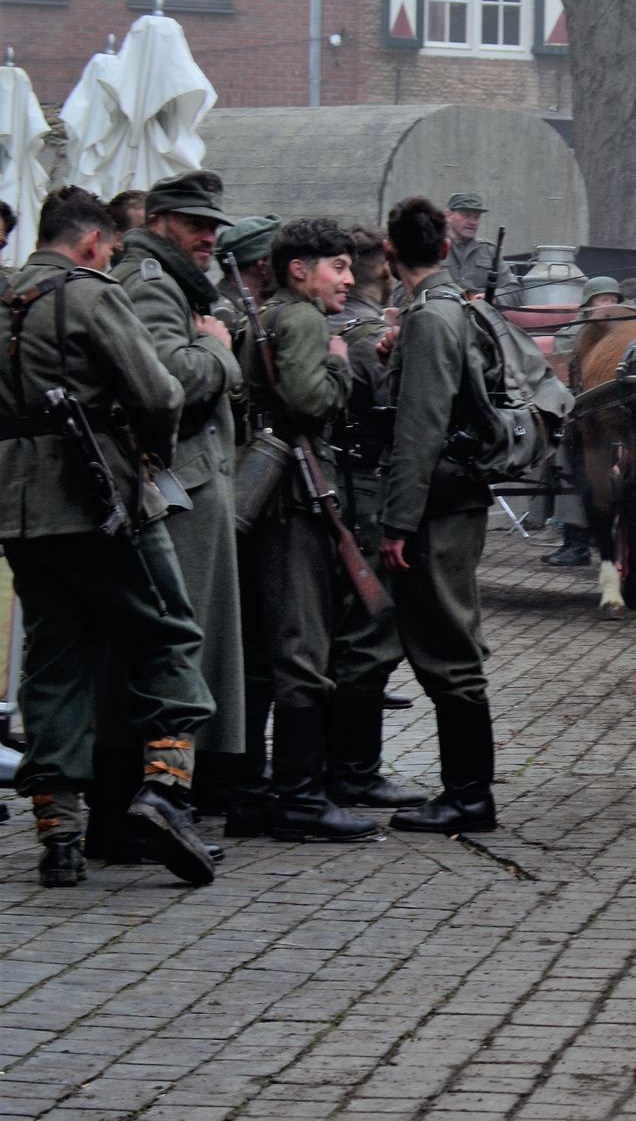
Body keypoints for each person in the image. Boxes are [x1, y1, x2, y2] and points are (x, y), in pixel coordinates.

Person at [3, 187, 217, 888]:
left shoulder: (6, 299)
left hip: (20, 512)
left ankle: (58, 836)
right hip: (101, 501)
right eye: (113, 249)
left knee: (54, 664)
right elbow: (159, 394)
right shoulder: (91, 295)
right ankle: (163, 793)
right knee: (170, 635)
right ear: (95, 243)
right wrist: (148, 457)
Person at [107, 171, 246, 848]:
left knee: (182, 649)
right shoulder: (154, 285)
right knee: (174, 654)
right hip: (177, 489)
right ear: (160, 221)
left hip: (187, 484)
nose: (209, 236)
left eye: (214, 225)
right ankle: (158, 804)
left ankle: (162, 802)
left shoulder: (166, 281)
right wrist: (218, 351)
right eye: (196, 224)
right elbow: (168, 380)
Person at [232, 218, 378, 843]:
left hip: (272, 495)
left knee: (265, 652)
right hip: (294, 498)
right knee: (301, 647)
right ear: (300, 270)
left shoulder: (269, 314)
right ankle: (299, 800)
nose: (349, 279)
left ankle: (248, 791)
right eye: (337, 267)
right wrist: (341, 364)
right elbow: (309, 404)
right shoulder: (301, 320)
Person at [379, 197, 501, 834]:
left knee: (447, 647)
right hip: (451, 499)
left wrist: (396, 523)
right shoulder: (452, 308)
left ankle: (469, 796)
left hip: (438, 506)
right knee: (447, 642)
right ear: (447, 248)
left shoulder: (430, 317)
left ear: (390, 253)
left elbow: (420, 427)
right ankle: (466, 791)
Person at [326, 224, 427, 809]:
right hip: (366, 488)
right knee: (369, 630)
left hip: (330, 486)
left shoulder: (320, 323)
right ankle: (355, 770)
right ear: (382, 271)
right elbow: (399, 417)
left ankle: (328, 761)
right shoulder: (367, 338)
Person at [545, 276, 624, 567]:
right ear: (588, 304)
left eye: (614, 300)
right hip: (580, 413)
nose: (610, 306)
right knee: (570, 457)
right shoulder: (572, 333)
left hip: (619, 412)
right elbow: (563, 375)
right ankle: (576, 541)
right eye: (603, 300)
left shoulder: (629, 334)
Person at [441, 193, 499, 294]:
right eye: (466, 215)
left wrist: (492, 297)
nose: (472, 222)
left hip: (480, 308)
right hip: (442, 307)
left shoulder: (489, 251)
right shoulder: (431, 248)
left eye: (476, 217)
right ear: (449, 216)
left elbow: (513, 288)